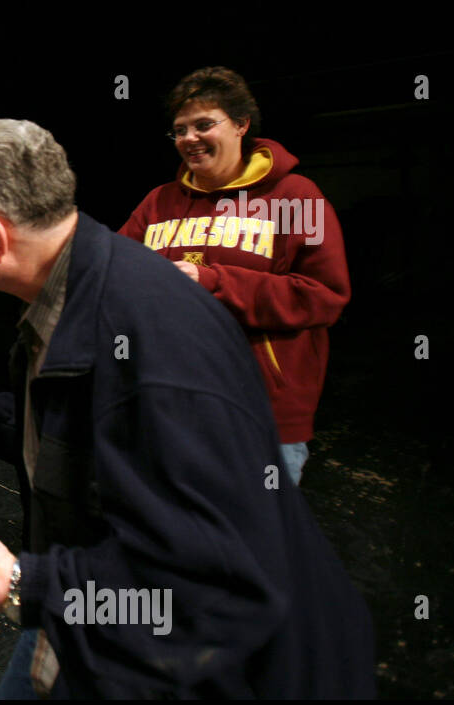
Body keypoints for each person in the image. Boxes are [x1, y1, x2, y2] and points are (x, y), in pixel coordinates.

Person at [0, 118, 374, 698]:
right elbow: (88, 421)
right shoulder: (73, 286)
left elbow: (215, 587)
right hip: (87, 608)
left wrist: (19, 585)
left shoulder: (152, 342)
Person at [119, 66, 350, 485]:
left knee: (257, 544)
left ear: (242, 124)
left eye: (203, 125)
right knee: (177, 541)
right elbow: (116, 275)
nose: (189, 139)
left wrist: (212, 282)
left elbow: (324, 295)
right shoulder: (159, 202)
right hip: (170, 407)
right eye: (180, 130)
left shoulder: (295, 196)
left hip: (261, 414)